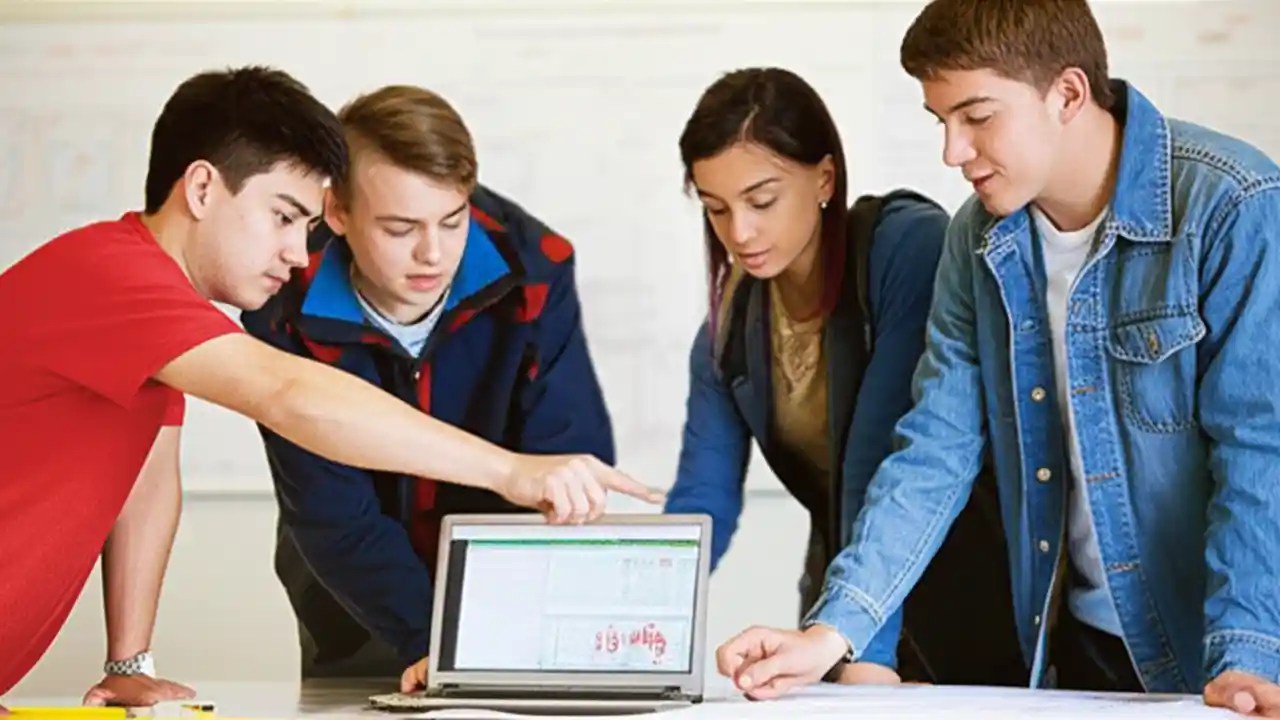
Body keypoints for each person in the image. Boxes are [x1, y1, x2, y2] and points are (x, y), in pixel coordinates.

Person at [0, 67, 657, 709]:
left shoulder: (157, 316)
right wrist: (510, 471)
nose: (297, 253)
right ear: (202, 189)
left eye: (305, 226)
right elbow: (289, 395)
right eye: (282, 217)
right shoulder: (109, 275)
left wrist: (128, 662)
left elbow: (147, 484)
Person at [713, 0, 1280, 715]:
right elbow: (934, 449)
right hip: (1071, 660)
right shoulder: (977, 239)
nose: (953, 152)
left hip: (1221, 666)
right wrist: (834, 632)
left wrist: (1250, 654)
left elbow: (1261, 452)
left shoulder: (1232, 206)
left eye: (977, 117)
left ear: (1067, 94)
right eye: (941, 122)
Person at [240, 84, 617, 690]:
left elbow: (565, 458)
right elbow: (333, 513)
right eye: (399, 229)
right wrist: (428, 642)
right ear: (337, 213)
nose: (433, 254)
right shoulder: (280, 301)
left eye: (452, 220)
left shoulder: (536, 267)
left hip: (512, 593)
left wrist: (518, 631)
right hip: (355, 600)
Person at [663, 67, 1024, 686]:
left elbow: (881, 456)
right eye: (716, 209)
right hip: (845, 602)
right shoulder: (728, 331)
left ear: (824, 178)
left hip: (969, 596)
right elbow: (703, 498)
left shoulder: (902, 248)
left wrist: (864, 654)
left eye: (762, 201)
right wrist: (639, 620)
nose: (739, 233)